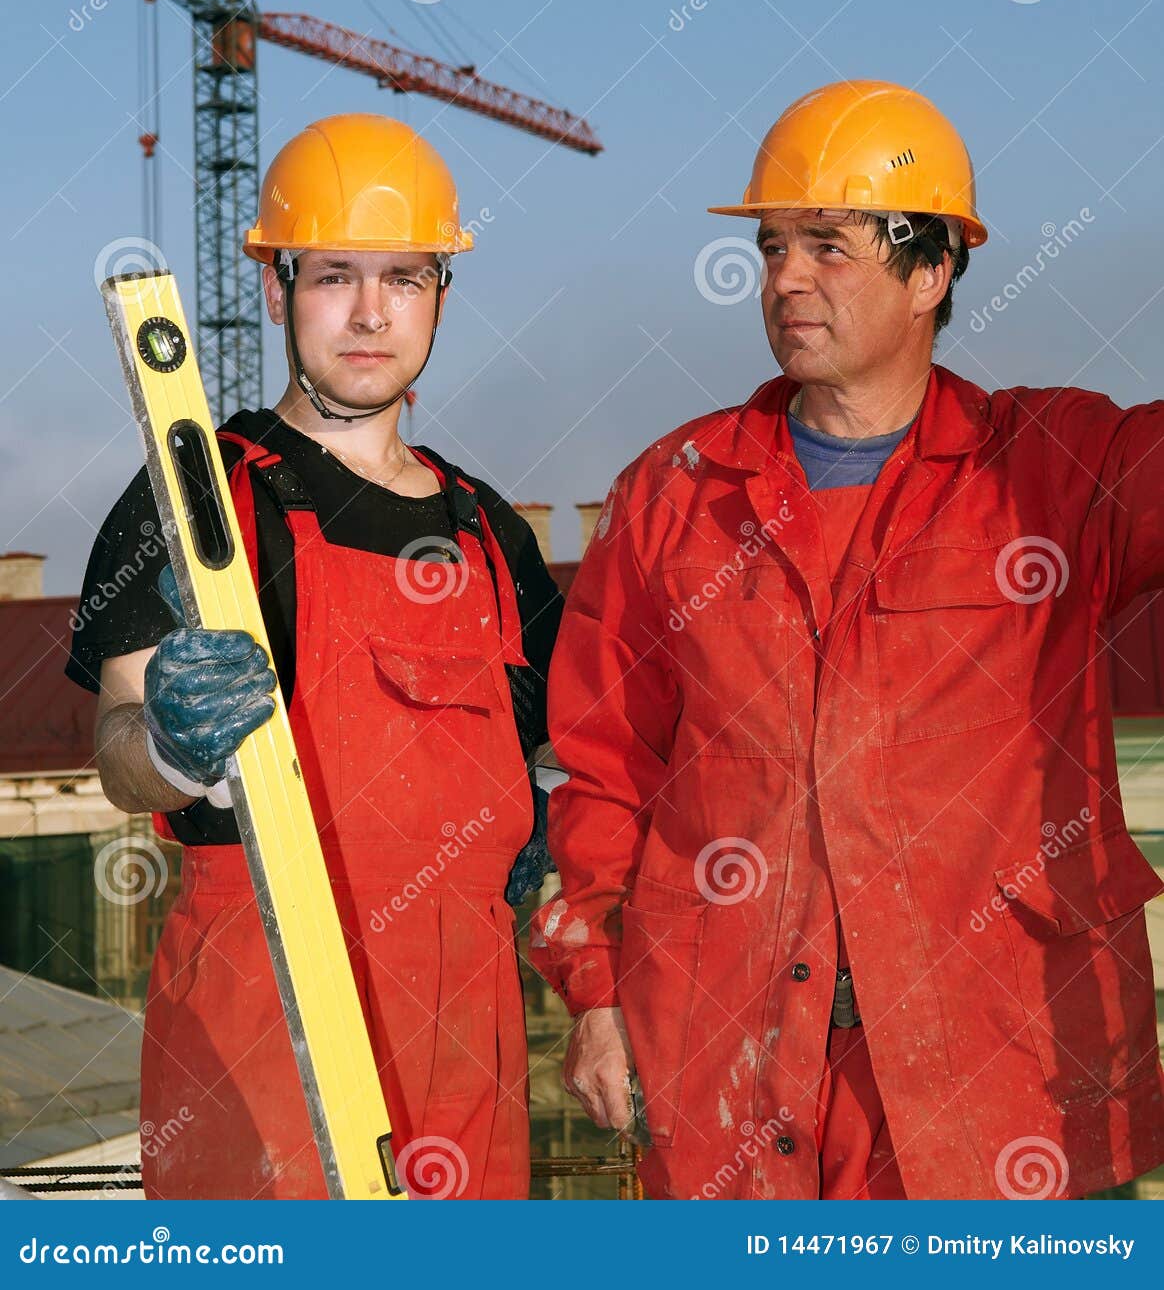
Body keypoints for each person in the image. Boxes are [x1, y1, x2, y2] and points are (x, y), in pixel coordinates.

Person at [531, 79, 1164, 1200]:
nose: (785, 277)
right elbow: (604, 767)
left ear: (931, 270)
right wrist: (595, 994)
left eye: (828, 245)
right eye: (773, 247)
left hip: (994, 1077)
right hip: (730, 1068)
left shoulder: (1057, 471)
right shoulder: (673, 495)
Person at [67, 113, 562, 1199]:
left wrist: (546, 816)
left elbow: (557, 750)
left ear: (441, 293)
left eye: (406, 277)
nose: (372, 312)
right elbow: (116, 755)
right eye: (336, 275)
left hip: (467, 1032)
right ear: (276, 285)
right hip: (265, 1020)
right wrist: (173, 747)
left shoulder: (491, 534)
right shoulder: (198, 496)